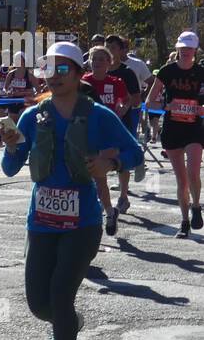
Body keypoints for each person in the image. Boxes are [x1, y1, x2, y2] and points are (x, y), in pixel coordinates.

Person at [0, 41, 143, 340]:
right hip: (42, 222)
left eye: (64, 69)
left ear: (79, 74)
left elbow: (134, 152)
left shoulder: (98, 116)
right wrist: (11, 144)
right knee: (38, 303)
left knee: (61, 296)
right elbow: (9, 168)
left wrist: (110, 164)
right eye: (50, 68)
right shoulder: (33, 116)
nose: (56, 75)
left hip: (83, 225)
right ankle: (69, 325)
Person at [145, 31, 204, 239]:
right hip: (172, 129)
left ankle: (196, 206)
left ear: (195, 50)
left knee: (193, 172)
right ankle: (185, 221)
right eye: (182, 48)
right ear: (177, 49)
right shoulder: (166, 71)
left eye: (190, 48)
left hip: (195, 129)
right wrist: (167, 105)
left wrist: (201, 109)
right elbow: (149, 101)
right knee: (181, 180)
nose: (186, 52)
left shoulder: (201, 72)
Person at [81, 45, 131, 235]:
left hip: (108, 134)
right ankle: (108, 212)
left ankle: (106, 210)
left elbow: (128, 100)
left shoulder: (116, 82)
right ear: (89, 62)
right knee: (96, 179)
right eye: (95, 58)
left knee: (99, 175)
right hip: (87, 134)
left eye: (103, 58)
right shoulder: (84, 82)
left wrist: (122, 108)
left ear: (110, 63)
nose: (99, 62)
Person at [105, 34, 149, 205]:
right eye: (107, 47)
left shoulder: (127, 72)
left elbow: (136, 99)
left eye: (113, 48)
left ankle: (123, 196)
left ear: (121, 50)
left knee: (122, 156)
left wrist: (125, 104)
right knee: (98, 156)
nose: (109, 51)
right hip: (101, 122)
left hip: (124, 119)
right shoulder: (98, 71)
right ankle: (100, 197)